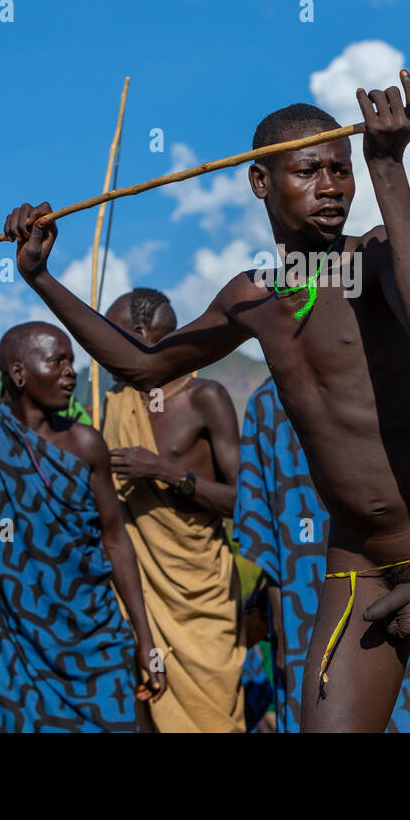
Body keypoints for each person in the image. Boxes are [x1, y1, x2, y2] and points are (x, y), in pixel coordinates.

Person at [2, 72, 410, 730]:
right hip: (365, 556)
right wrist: (40, 278)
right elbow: (143, 364)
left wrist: (386, 167)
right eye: (309, 170)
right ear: (260, 181)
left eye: (340, 168)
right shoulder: (252, 298)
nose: (332, 186)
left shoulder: (377, 255)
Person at [0, 321, 164, 731]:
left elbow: (115, 541)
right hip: (16, 647)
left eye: (72, 361)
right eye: (58, 361)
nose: (71, 371)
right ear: (19, 373)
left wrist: (145, 639)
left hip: (93, 639)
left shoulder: (86, 444)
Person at [233, 376, 410, 732]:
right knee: (315, 707)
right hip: (302, 607)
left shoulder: (375, 386)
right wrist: (281, 631)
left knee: (403, 706)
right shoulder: (266, 404)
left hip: (390, 590)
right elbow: (264, 528)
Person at [100, 288, 245, 732]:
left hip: (202, 595)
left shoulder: (206, 397)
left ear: (142, 334)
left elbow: (244, 500)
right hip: (141, 596)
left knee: (215, 717)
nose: (101, 348)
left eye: (111, 335)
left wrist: (166, 472)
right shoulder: (113, 404)